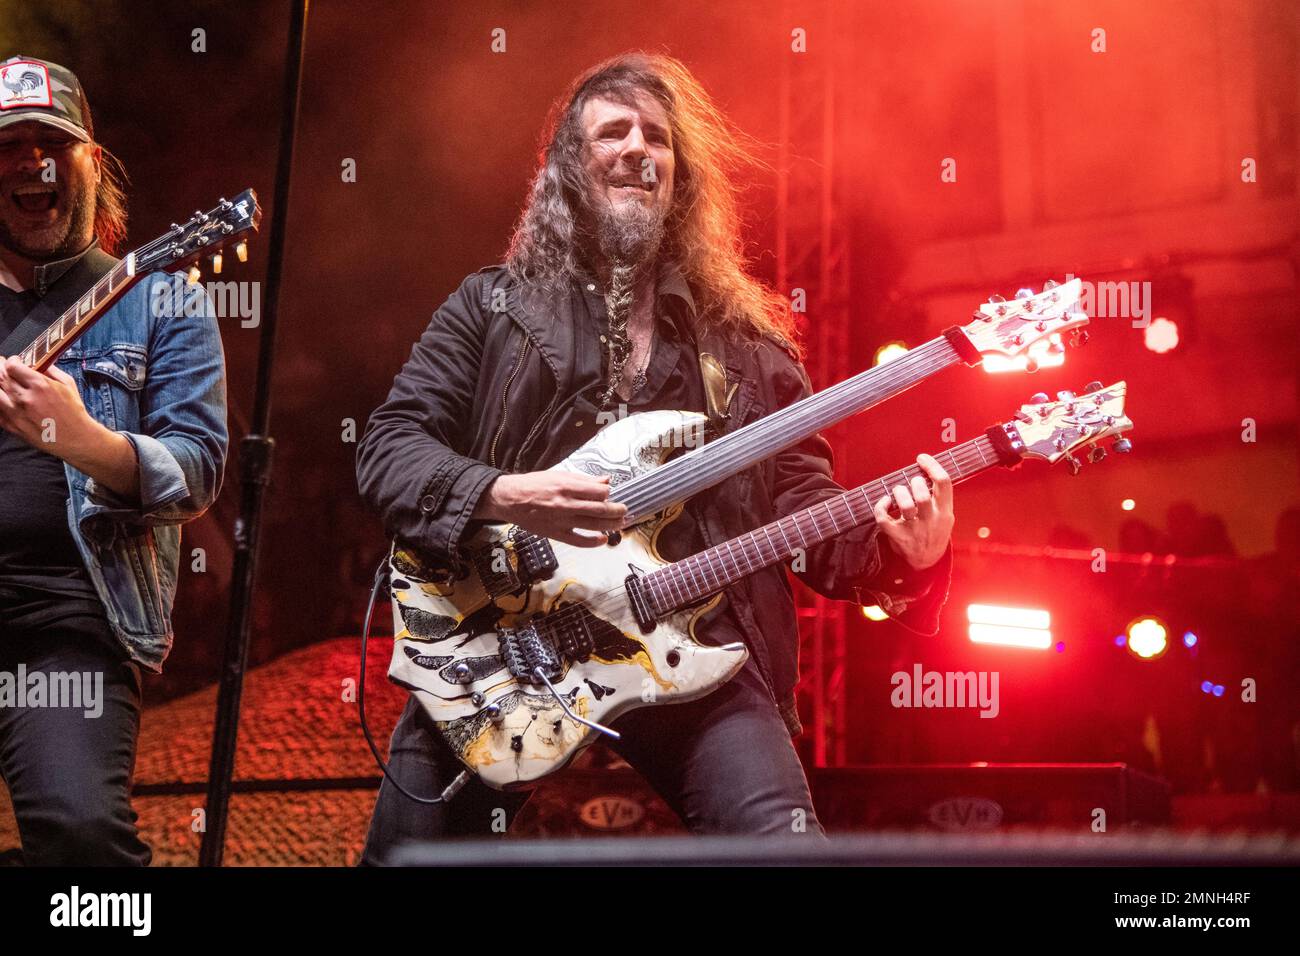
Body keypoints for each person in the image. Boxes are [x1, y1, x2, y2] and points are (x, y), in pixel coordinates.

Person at [356, 52, 952, 858]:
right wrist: (508, 492)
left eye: (659, 137)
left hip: (695, 645)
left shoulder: (746, 350)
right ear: (570, 167)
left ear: (682, 177)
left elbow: (802, 509)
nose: (640, 148)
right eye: (614, 131)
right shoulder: (490, 308)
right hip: (501, 640)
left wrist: (902, 554)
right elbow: (389, 449)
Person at [0, 56, 227, 865]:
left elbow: (198, 470)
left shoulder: (159, 300)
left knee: (83, 837)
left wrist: (80, 438)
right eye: (9, 145)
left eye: (51, 143)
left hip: (68, 621)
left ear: (91, 162)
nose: (31, 161)